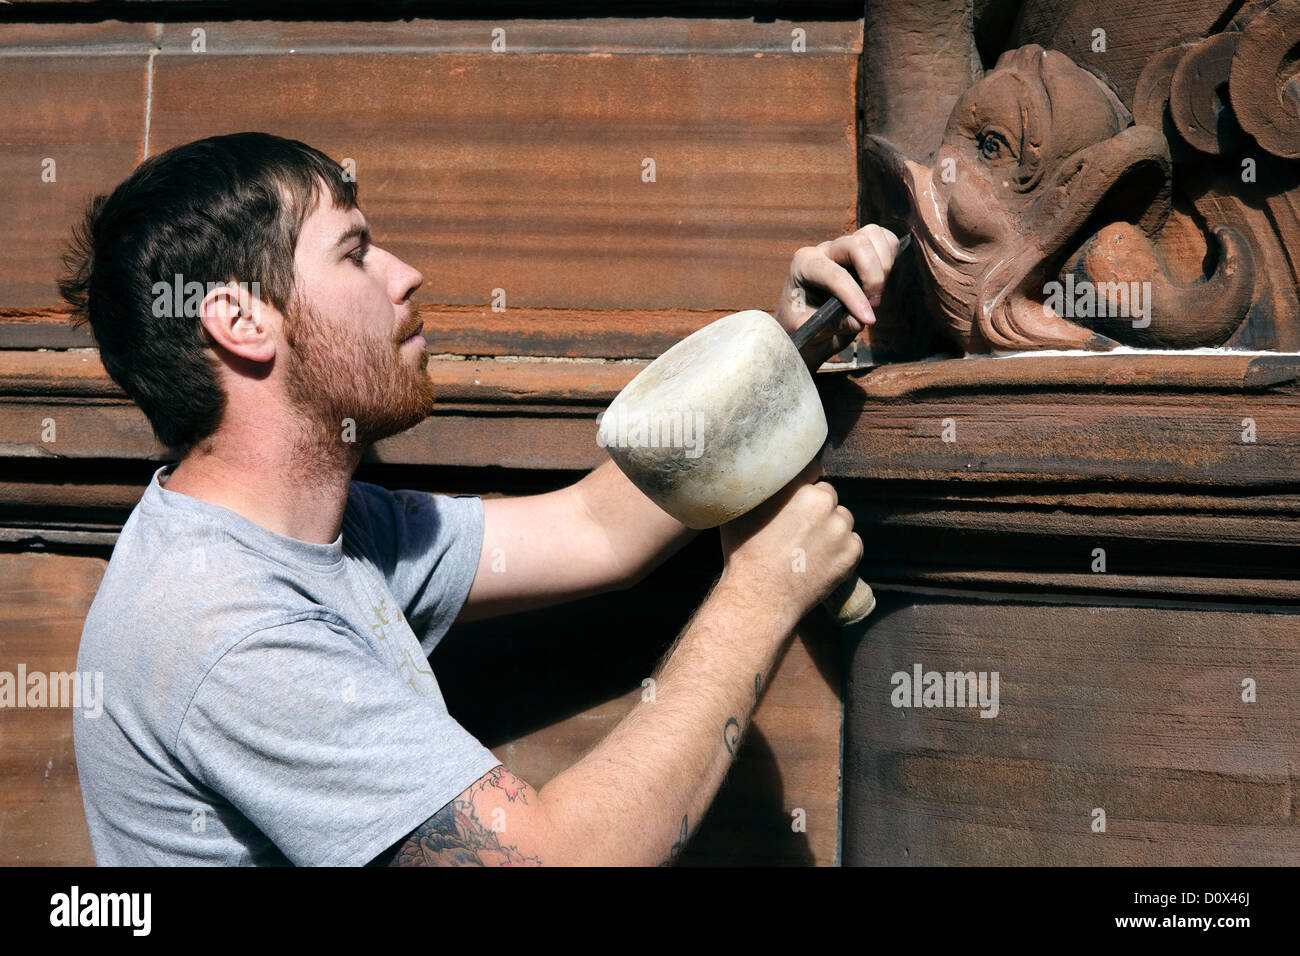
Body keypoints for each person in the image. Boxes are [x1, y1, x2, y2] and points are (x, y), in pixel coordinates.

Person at [62, 131, 900, 866]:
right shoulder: (228, 631)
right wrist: (761, 592)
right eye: (354, 253)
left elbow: (595, 529)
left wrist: (786, 353)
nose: (405, 275)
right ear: (241, 324)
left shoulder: (328, 533)